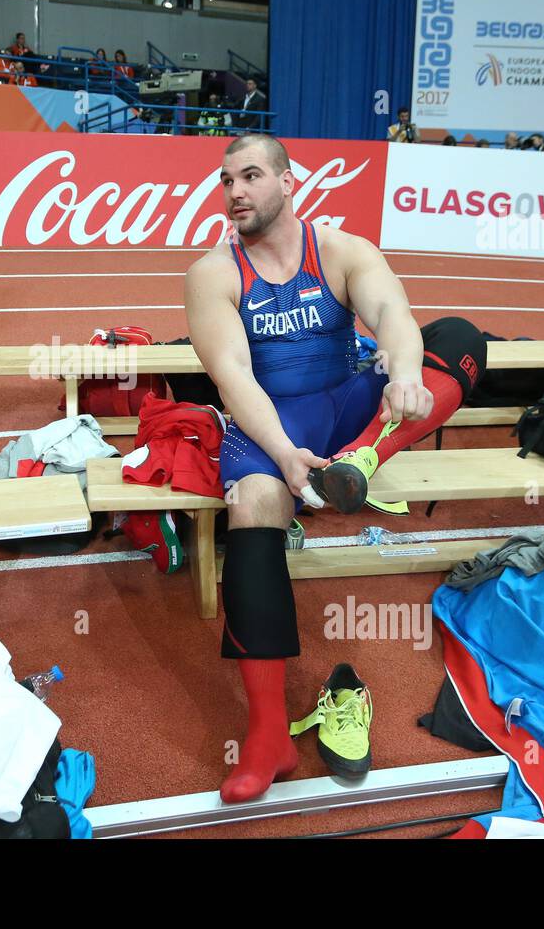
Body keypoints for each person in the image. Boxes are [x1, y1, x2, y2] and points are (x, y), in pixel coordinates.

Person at [184, 134, 486, 803]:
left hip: (349, 407)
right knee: (254, 508)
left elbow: (393, 315)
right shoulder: (214, 272)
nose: (235, 192)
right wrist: (286, 456)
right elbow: (233, 377)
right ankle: (267, 737)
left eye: (251, 176)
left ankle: (362, 459)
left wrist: (404, 373)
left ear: (289, 181)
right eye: (226, 180)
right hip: (272, 420)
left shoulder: (343, 249)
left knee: (460, 338)